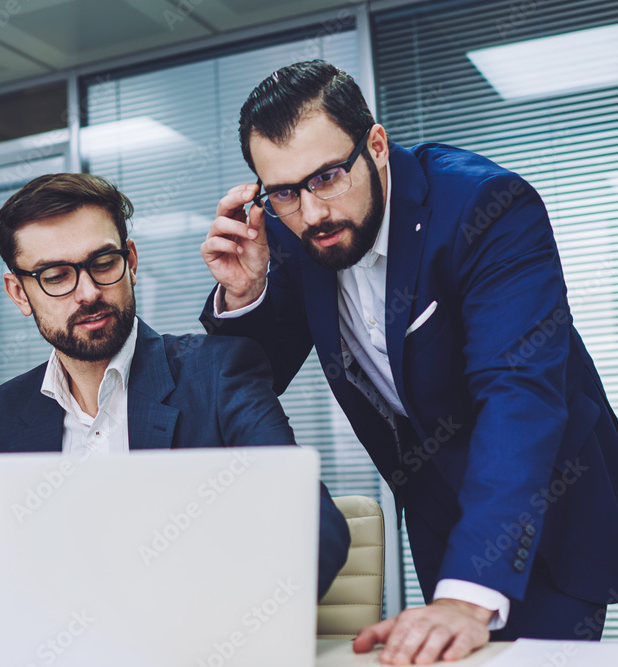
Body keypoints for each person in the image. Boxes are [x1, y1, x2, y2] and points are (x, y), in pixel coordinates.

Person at [200, 59, 618, 664]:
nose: (312, 212)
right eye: (285, 191)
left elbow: (519, 394)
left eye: (328, 177)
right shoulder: (292, 229)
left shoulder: (487, 208)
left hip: (547, 501)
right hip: (435, 508)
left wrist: (468, 597)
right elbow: (255, 378)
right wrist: (245, 295)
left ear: (376, 145)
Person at [0, 172, 351, 639]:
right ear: (20, 293)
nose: (86, 292)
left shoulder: (218, 373)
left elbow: (317, 534)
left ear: (129, 262)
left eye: (102, 263)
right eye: (55, 276)